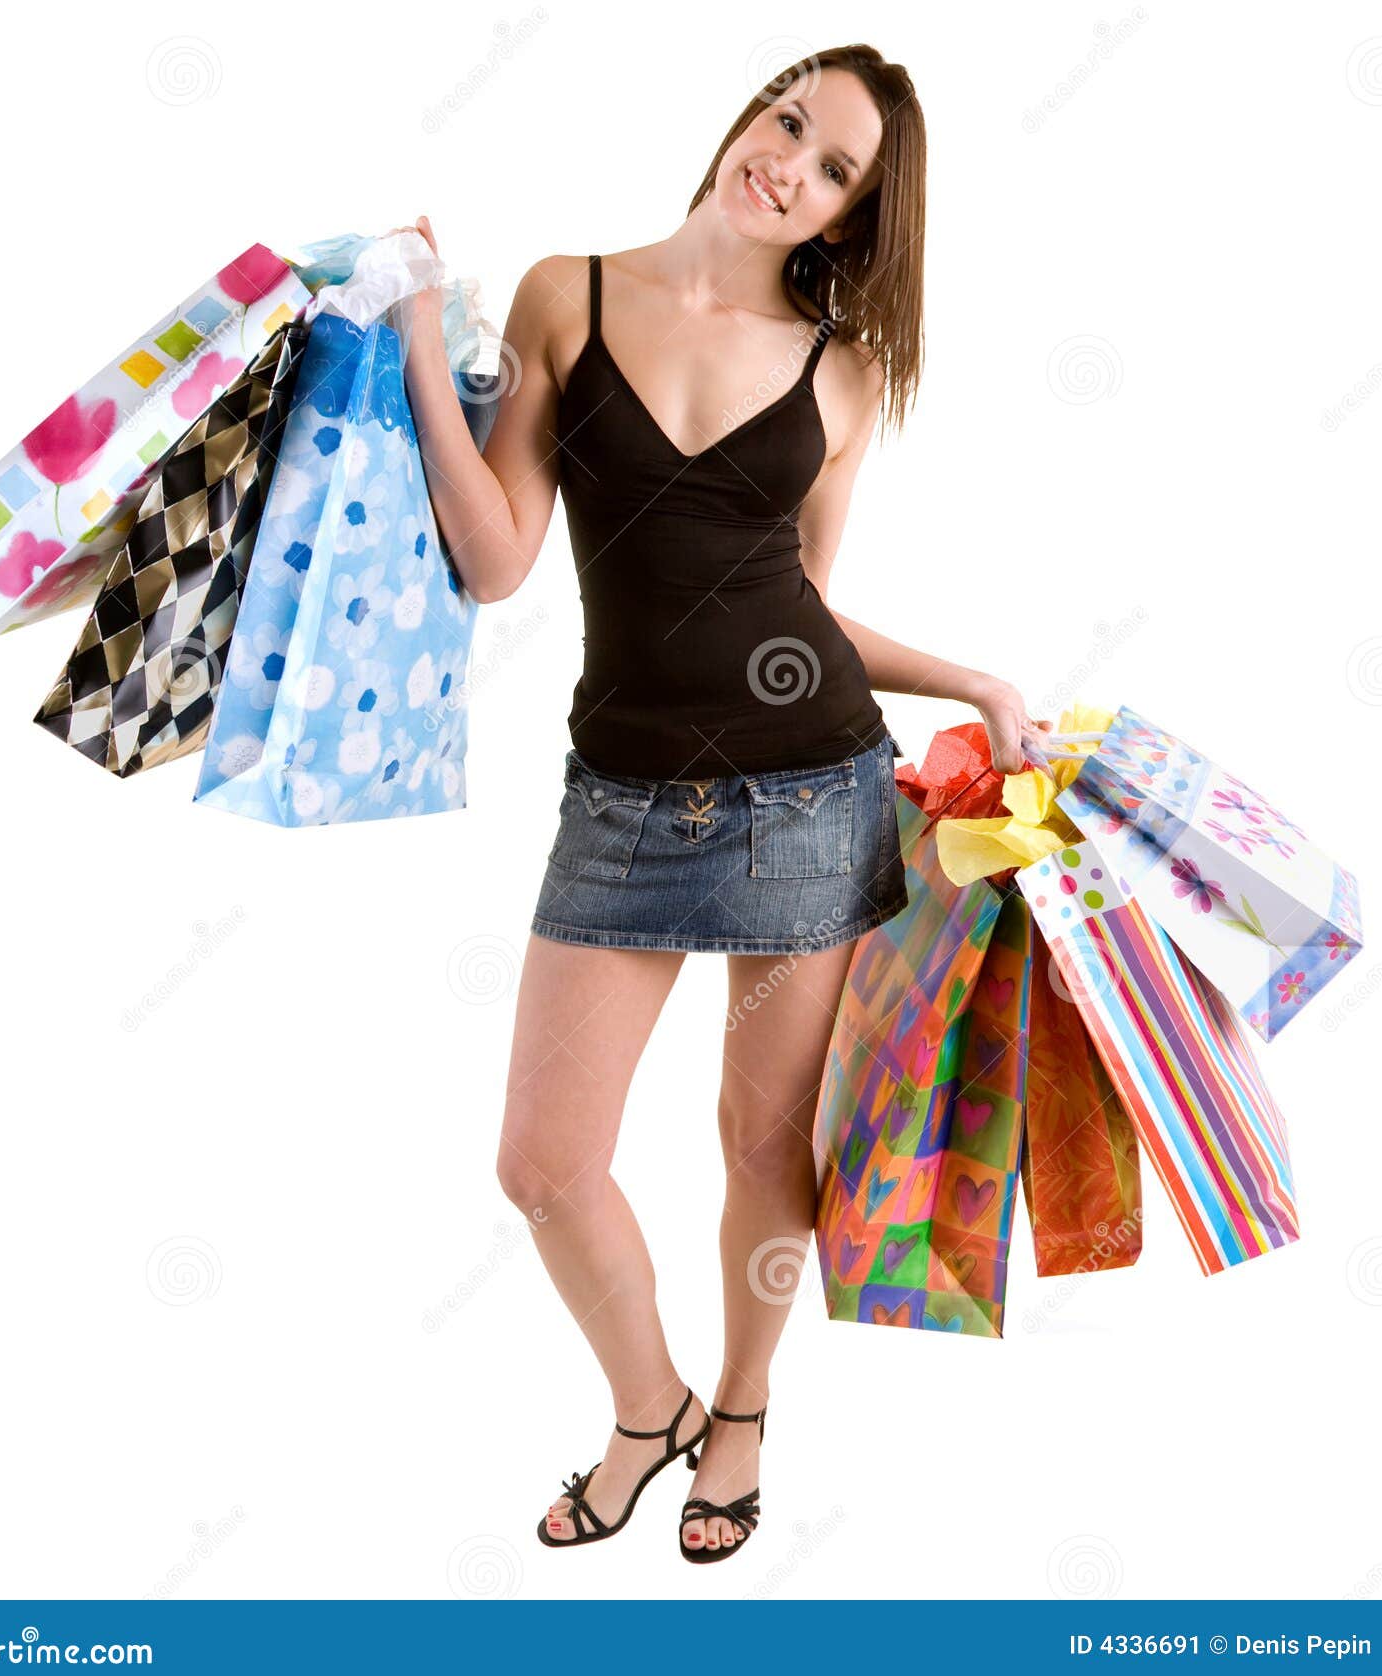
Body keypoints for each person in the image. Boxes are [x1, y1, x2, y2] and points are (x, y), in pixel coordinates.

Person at [399, 44, 1053, 1564]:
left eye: (836, 172)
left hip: (805, 799)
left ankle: (741, 1413)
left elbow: (808, 613)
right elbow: (498, 558)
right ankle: (652, 1407)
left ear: (849, 218)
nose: (792, 169)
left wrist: (973, 682)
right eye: (789, 126)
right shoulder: (574, 294)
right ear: (747, 117)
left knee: (761, 1144)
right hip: (620, 802)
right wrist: (430, 346)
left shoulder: (841, 372)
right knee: (543, 1161)